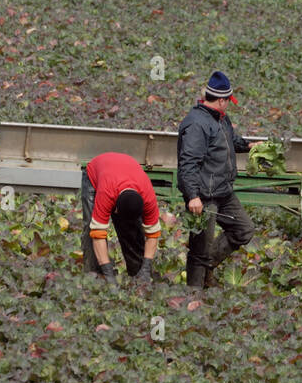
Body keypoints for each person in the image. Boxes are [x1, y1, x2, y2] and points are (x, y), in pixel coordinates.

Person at [177, 70, 255, 288]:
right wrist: (193, 196)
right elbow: (188, 163)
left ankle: (207, 266)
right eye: (228, 101)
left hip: (223, 191)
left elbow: (230, 140)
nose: (228, 104)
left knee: (244, 229)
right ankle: (193, 295)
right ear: (221, 100)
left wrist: (248, 146)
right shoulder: (196, 124)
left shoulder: (220, 119)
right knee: (200, 246)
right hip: (204, 195)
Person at [81, 151, 161, 281]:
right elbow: (97, 233)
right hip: (97, 172)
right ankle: (96, 277)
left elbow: (153, 234)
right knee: (91, 229)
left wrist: (146, 267)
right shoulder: (106, 194)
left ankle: (139, 276)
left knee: (132, 230)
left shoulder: (148, 198)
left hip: (127, 172)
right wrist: (108, 274)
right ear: (115, 208)